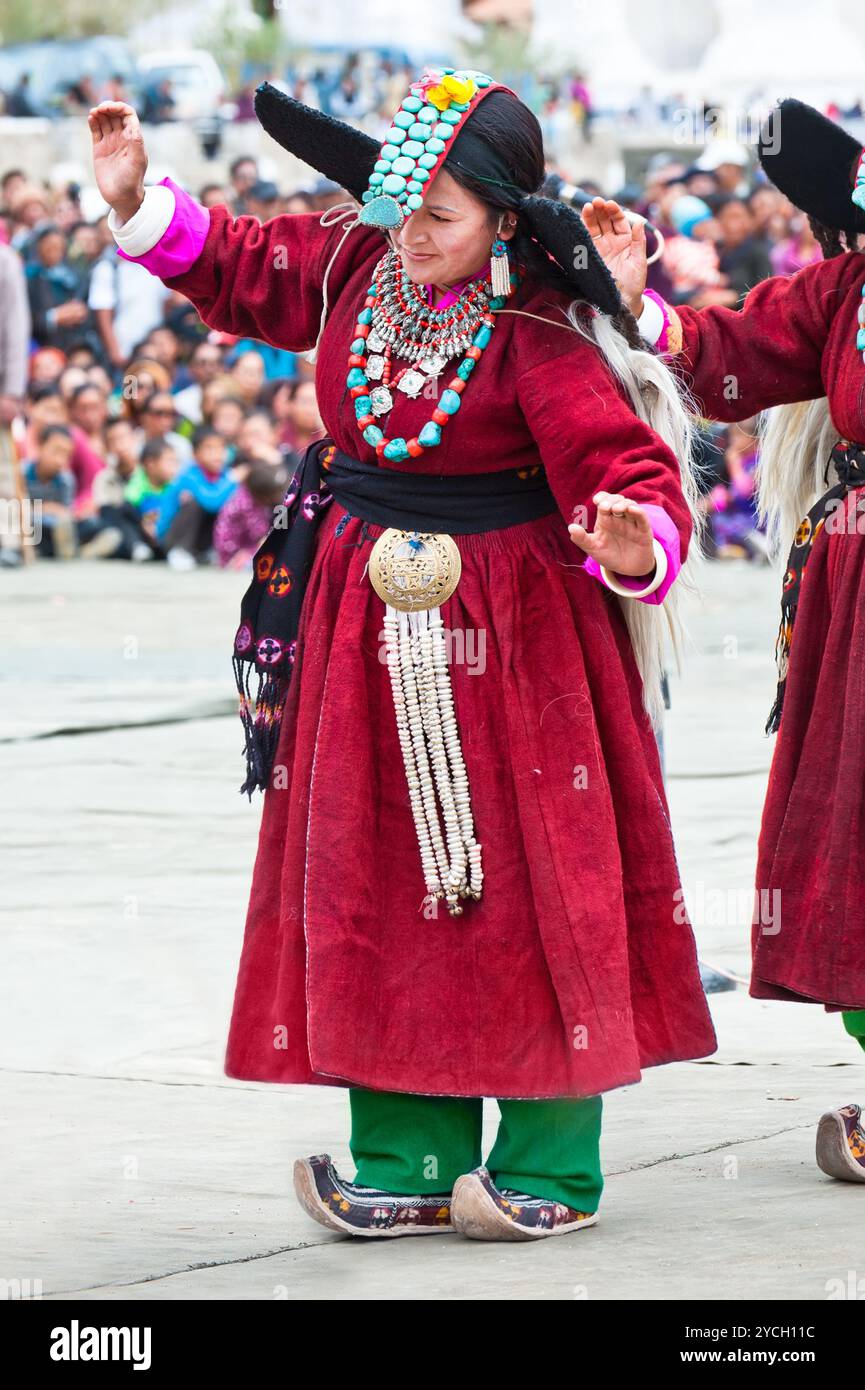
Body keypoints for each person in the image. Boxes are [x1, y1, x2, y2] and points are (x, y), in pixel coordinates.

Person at [88, 71, 716, 1242]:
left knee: (530, 882)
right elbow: (237, 264)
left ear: (503, 219)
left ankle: (548, 1165)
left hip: (518, 631)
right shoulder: (348, 264)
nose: (409, 233)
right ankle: (410, 1156)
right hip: (359, 617)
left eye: (439, 216)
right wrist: (139, 202)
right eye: (399, 206)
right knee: (373, 870)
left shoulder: (539, 321)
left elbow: (618, 461)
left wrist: (637, 536)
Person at [585, 97, 865, 1185]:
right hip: (855, 601)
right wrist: (630, 304)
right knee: (847, 852)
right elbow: (727, 350)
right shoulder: (846, 291)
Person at [156, 425, 237, 567]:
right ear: (195, 454)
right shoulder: (189, 474)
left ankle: (206, 550)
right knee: (194, 502)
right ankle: (179, 550)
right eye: (209, 448)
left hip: (199, 538)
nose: (217, 454)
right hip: (170, 537)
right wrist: (232, 480)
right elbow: (212, 502)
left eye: (220, 448)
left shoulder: (224, 474)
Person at [23, 425, 77, 558]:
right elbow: (16, 508)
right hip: (26, 523)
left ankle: (67, 550)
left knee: (85, 525)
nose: (60, 460)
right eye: (56, 452)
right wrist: (44, 508)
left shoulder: (66, 480)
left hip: (53, 526)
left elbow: (65, 513)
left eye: (66, 455)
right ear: (40, 447)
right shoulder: (22, 473)